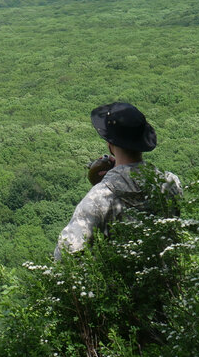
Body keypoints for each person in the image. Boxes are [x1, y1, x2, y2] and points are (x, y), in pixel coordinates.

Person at [54, 102, 181, 261]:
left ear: (110, 146)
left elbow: (65, 253)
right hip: (167, 281)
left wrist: (108, 180)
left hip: (119, 284)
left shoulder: (100, 198)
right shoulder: (170, 184)